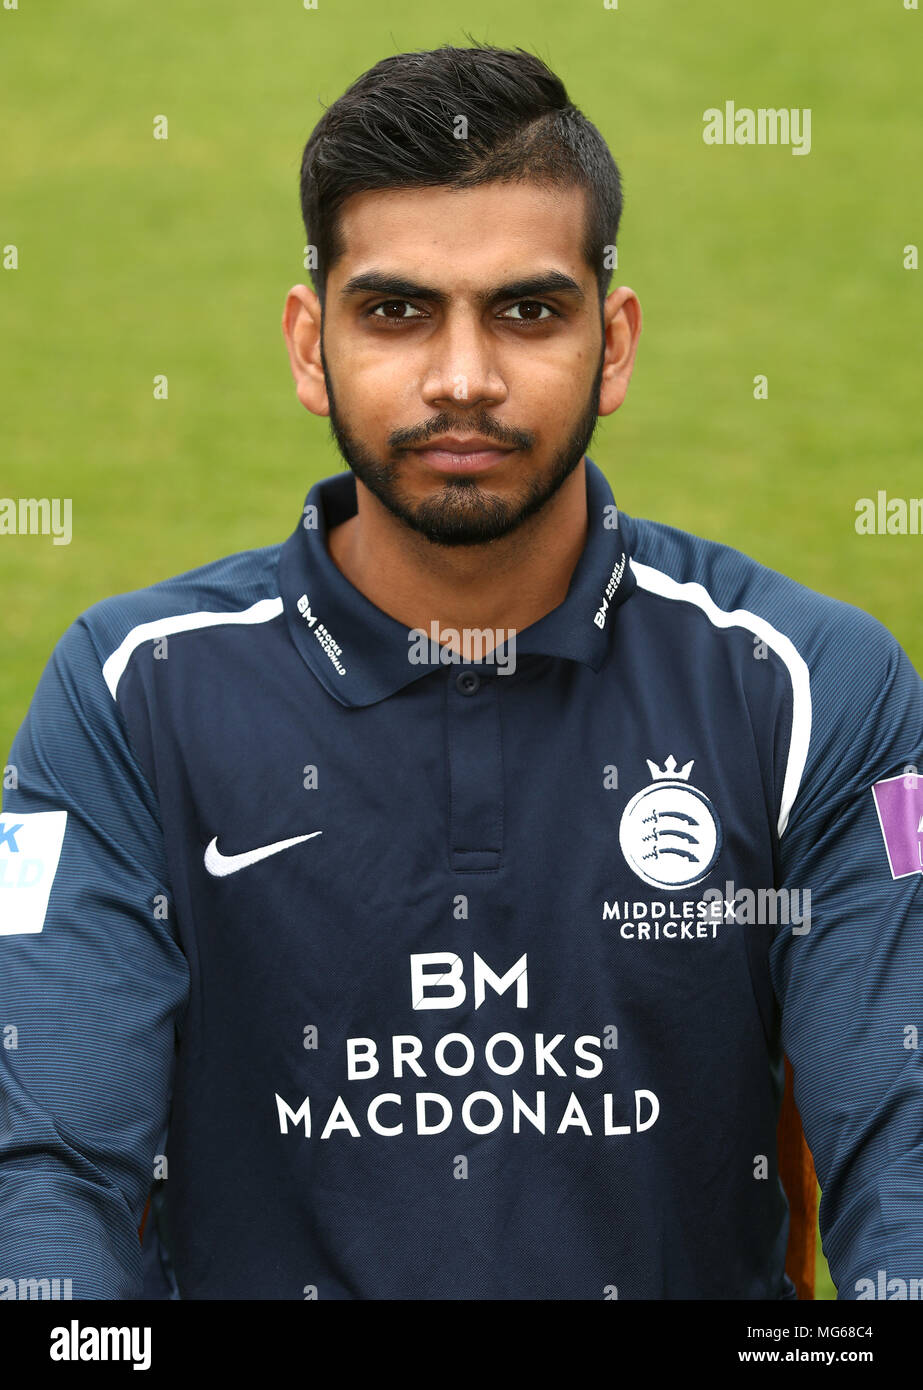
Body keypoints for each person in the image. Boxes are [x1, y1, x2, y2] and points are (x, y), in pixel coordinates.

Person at [1, 42, 921, 1302]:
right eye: (395, 311)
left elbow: (904, 1156)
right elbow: (47, 1176)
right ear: (307, 343)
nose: (461, 379)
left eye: (527, 311)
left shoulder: (815, 687)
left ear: (615, 340)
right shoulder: (126, 695)